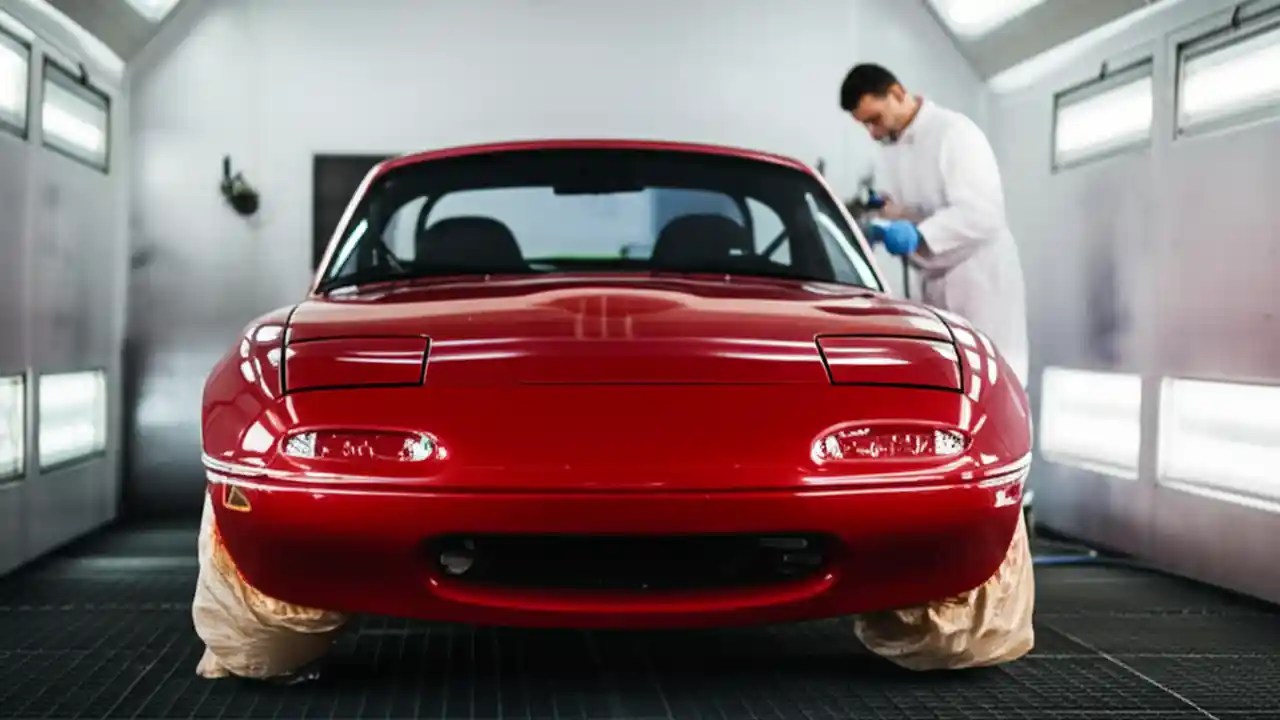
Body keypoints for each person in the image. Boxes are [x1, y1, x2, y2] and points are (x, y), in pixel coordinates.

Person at [839, 63, 1029, 387]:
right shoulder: (896, 148)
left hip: (978, 279)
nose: (873, 133)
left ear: (897, 93)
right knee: (947, 385)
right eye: (865, 125)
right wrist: (884, 220)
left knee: (993, 386)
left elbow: (983, 212)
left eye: (875, 119)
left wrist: (920, 234)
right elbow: (916, 208)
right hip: (934, 281)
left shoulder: (954, 132)